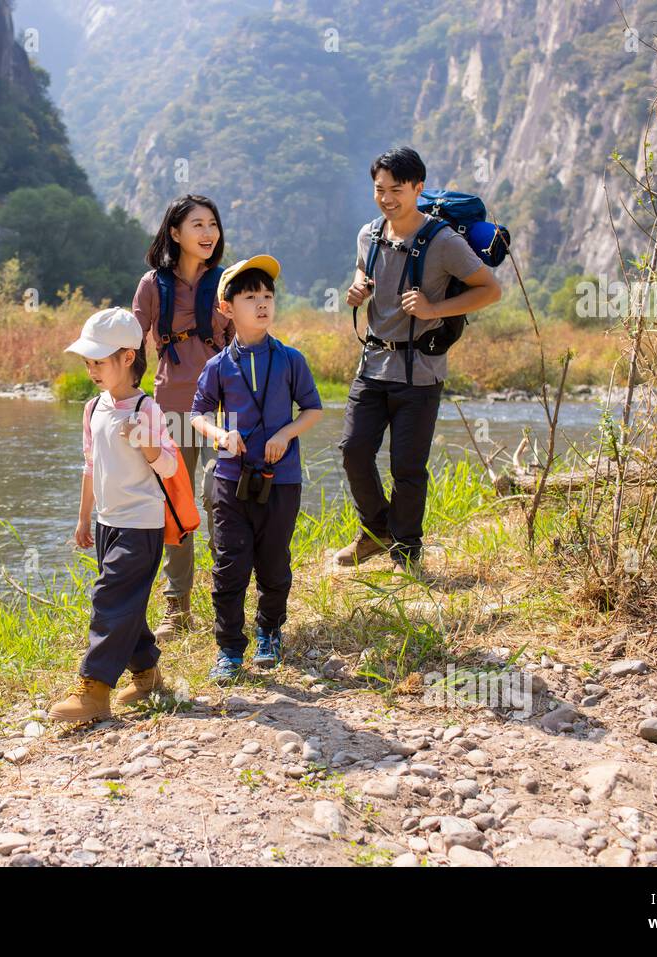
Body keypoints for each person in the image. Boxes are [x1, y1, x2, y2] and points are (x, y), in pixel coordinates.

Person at [335, 147, 502, 570]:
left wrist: (433, 310)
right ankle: (376, 531)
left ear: (418, 189)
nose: (387, 198)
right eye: (380, 189)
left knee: (407, 468)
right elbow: (361, 269)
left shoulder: (443, 242)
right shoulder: (369, 233)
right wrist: (359, 288)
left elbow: (489, 289)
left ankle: (406, 552)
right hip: (372, 365)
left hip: (421, 373)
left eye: (397, 189)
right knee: (353, 450)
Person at [190, 256, 323, 682]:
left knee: (273, 564)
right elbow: (197, 414)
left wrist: (285, 435)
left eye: (267, 296)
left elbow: (313, 410)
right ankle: (229, 649)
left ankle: (269, 632)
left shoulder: (290, 359)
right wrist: (220, 435)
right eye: (250, 297)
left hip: (281, 481)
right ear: (227, 308)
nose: (262, 304)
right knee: (229, 565)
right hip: (230, 479)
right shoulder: (218, 366)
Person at [50, 307, 181, 723]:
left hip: (141, 524)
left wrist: (146, 443)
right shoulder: (93, 409)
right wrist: (83, 518)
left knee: (110, 596)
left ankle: (94, 689)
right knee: (130, 604)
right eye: (87, 361)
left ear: (128, 357)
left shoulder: (147, 409)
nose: (91, 369)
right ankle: (147, 677)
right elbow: (90, 466)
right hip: (107, 523)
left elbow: (172, 468)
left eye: (99, 361)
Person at [132, 195, 231, 641]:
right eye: (197, 225)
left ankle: (226, 597)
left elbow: (246, 340)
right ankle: (178, 607)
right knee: (176, 503)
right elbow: (131, 344)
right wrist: (127, 404)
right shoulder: (153, 285)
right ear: (175, 233)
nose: (208, 233)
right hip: (171, 407)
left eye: (212, 224)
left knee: (220, 496)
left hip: (221, 406)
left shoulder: (228, 283)